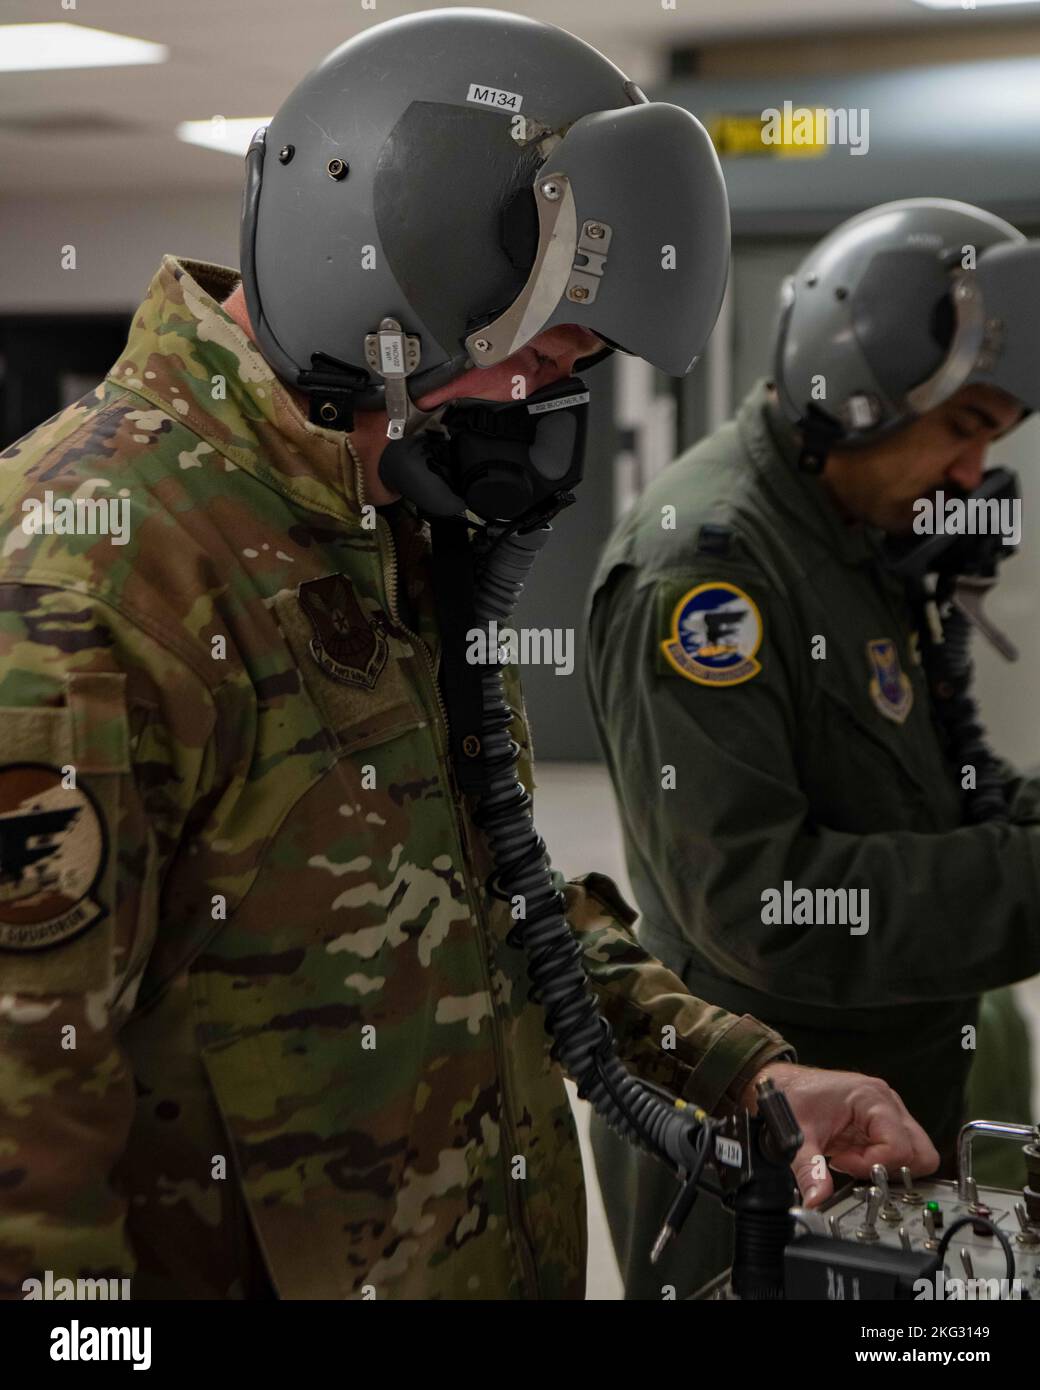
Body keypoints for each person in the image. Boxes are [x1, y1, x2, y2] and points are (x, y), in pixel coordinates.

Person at [0, 13, 936, 1301]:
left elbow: (486, 898)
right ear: (386, 284)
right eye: (536, 357)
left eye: (574, 368)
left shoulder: (378, 518)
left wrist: (736, 1069)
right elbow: (22, 1146)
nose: (541, 412)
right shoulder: (91, 567)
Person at [587, 196, 1040, 1299]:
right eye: (960, 425)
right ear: (856, 396)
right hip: (766, 1134)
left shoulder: (850, 535)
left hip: (903, 1086)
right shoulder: (707, 573)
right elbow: (757, 900)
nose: (975, 474)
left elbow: (921, 783)